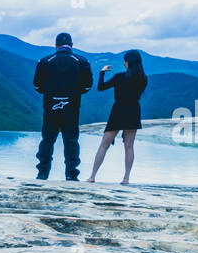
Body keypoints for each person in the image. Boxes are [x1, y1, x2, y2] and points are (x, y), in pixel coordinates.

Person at [32, 32, 93, 180]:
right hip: (71, 107)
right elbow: (87, 86)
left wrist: (50, 94)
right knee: (71, 140)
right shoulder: (81, 61)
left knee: (47, 139)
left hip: (50, 106)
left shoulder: (45, 61)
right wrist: (74, 94)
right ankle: (72, 175)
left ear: (56, 45)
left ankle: (42, 174)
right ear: (71, 45)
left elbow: (37, 86)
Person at [86, 49, 147, 185]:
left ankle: (92, 176)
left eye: (125, 61)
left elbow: (101, 87)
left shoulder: (120, 77)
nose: (124, 63)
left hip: (118, 110)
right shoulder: (143, 78)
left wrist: (102, 72)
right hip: (133, 110)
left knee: (104, 144)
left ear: (128, 62)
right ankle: (126, 179)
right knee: (129, 146)